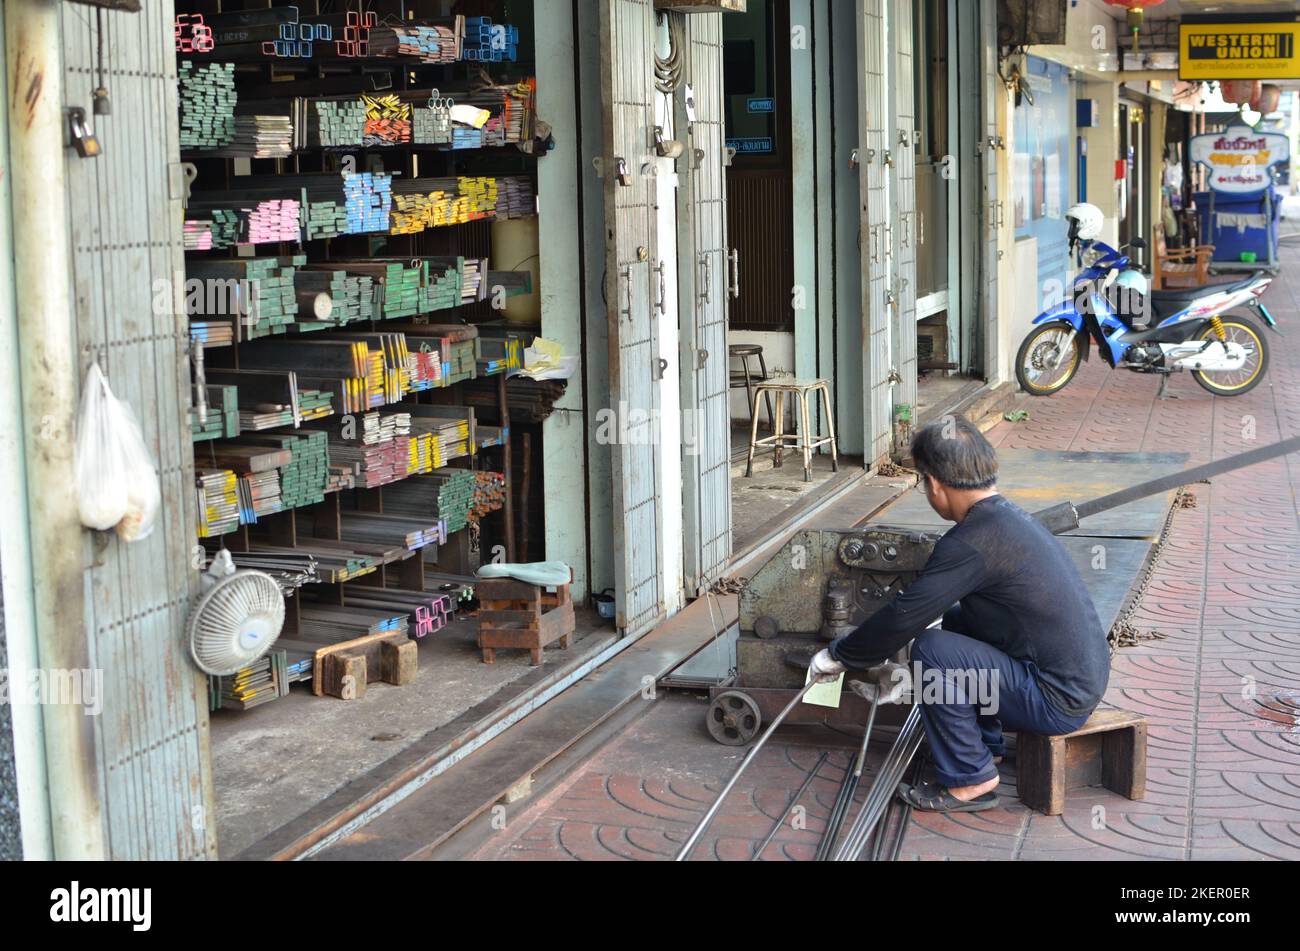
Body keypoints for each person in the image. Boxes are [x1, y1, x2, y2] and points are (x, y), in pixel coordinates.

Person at [808, 416, 1110, 813]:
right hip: (1080, 681)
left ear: (934, 483)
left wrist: (839, 656)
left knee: (932, 650)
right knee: (955, 620)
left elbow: (903, 617)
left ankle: (972, 778)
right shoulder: (1008, 519)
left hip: (1056, 700)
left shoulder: (970, 543)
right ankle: (986, 747)